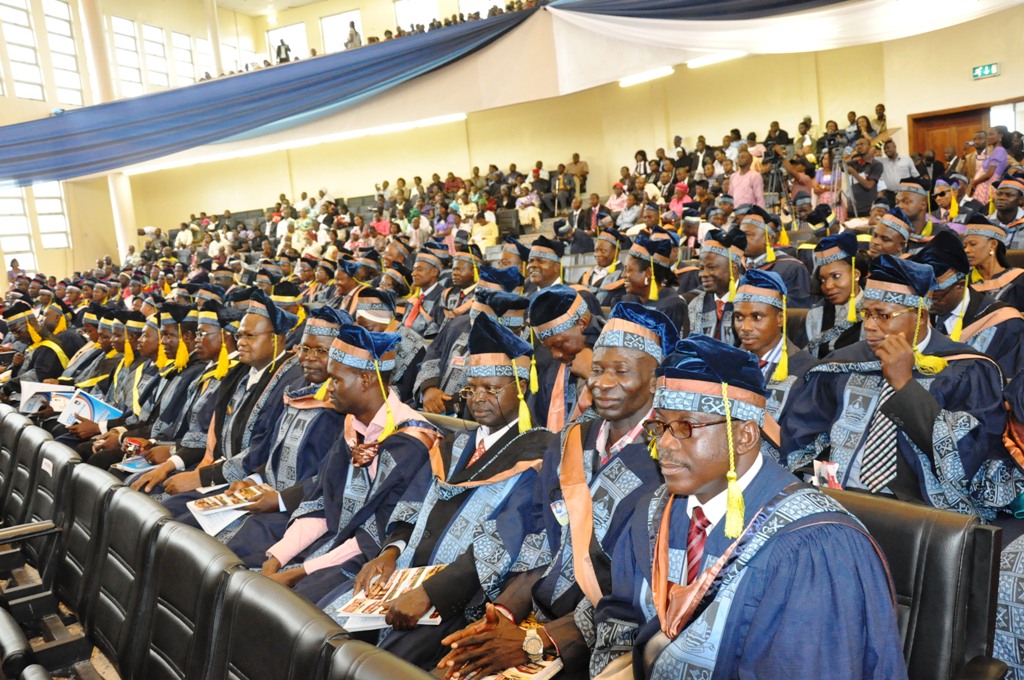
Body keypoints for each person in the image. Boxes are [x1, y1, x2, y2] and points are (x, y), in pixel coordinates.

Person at [590, 335, 906, 679]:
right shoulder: (655, 512)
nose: (663, 444)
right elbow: (622, 613)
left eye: (685, 427)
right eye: (660, 426)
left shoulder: (814, 545)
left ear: (744, 436)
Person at [437, 303, 676, 679]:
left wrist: (536, 641)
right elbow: (541, 536)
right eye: (597, 369)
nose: (602, 382)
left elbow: (636, 594)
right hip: (536, 616)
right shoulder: (571, 441)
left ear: (655, 379)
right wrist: (502, 613)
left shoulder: (669, 461)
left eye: (621, 371)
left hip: (597, 640)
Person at [318, 313, 554, 667]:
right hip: (405, 576)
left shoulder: (538, 453)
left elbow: (506, 537)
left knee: (379, 667)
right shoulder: (454, 445)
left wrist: (430, 594)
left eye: (492, 388)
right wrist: (389, 553)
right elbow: (411, 505)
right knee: (325, 634)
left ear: (520, 388)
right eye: (471, 388)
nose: (478, 398)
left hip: (459, 600)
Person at [783, 255, 1015, 519]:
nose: (870, 326)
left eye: (883, 315)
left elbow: (972, 457)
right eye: (866, 314)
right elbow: (803, 437)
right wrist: (825, 486)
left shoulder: (966, 369)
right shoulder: (841, 364)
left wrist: (905, 386)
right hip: (838, 501)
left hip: (918, 514)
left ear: (920, 316)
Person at [258, 323, 439, 604]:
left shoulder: (411, 441)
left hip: (368, 560)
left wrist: (296, 573)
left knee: (286, 607)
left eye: (336, 380)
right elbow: (321, 503)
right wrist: (277, 558)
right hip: (332, 544)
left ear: (366, 380)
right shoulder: (353, 427)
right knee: (251, 568)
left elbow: (377, 534)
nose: (327, 388)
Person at [913, 230, 1024, 380]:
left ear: (959, 285)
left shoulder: (1006, 324)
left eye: (937, 297)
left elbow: (1008, 385)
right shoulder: (917, 315)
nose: (928, 303)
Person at [731, 269, 816, 421]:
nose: (745, 327)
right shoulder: (726, 364)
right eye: (738, 317)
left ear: (780, 319)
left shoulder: (807, 372)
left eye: (756, 317)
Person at [528, 285, 604, 433]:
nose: (556, 354)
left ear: (581, 323)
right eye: (549, 347)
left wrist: (592, 375)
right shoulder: (553, 362)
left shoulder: (620, 350)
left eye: (560, 344)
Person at [805, 233, 866, 359]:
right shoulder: (816, 315)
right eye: (822, 280)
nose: (828, 286)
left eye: (836, 276)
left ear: (855, 274)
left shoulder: (875, 313)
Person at [736, 206, 811, 308]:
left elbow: (797, 313)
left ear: (769, 239)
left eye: (748, 235)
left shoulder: (792, 268)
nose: (741, 239)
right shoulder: (735, 267)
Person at [619, 235, 689, 334]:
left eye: (629, 270)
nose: (623, 275)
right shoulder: (627, 301)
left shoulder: (673, 305)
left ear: (648, 273)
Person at [688, 228, 746, 343]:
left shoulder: (751, 300)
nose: (703, 274)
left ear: (733, 268)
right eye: (701, 268)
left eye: (711, 268)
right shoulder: (696, 305)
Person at [963, 214, 1024, 313]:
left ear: (993, 244)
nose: (967, 250)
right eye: (965, 246)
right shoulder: (962, 283)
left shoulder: (1019, 280)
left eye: (973, 244)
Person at [576, 228, 629, 308]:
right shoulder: (587, 275)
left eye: (603, 251)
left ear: (616, 252)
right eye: (596, 250)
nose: (598, 254)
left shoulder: (623, 276)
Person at [402, 246, 446, 339]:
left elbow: (437, 338)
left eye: (419, 269)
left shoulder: (443, 298)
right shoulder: (415, 298)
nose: (413, 273)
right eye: (414, 269)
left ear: (434, 272)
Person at [845, 137, 883, 218]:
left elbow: (869, 185)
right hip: (853, 208)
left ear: (869, 146)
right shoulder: (854, 163)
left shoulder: (876, 164)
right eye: (857, 145)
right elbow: (841, 165)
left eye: (862, 144)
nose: (859, 146)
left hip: (868, 208)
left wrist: (854, 173)